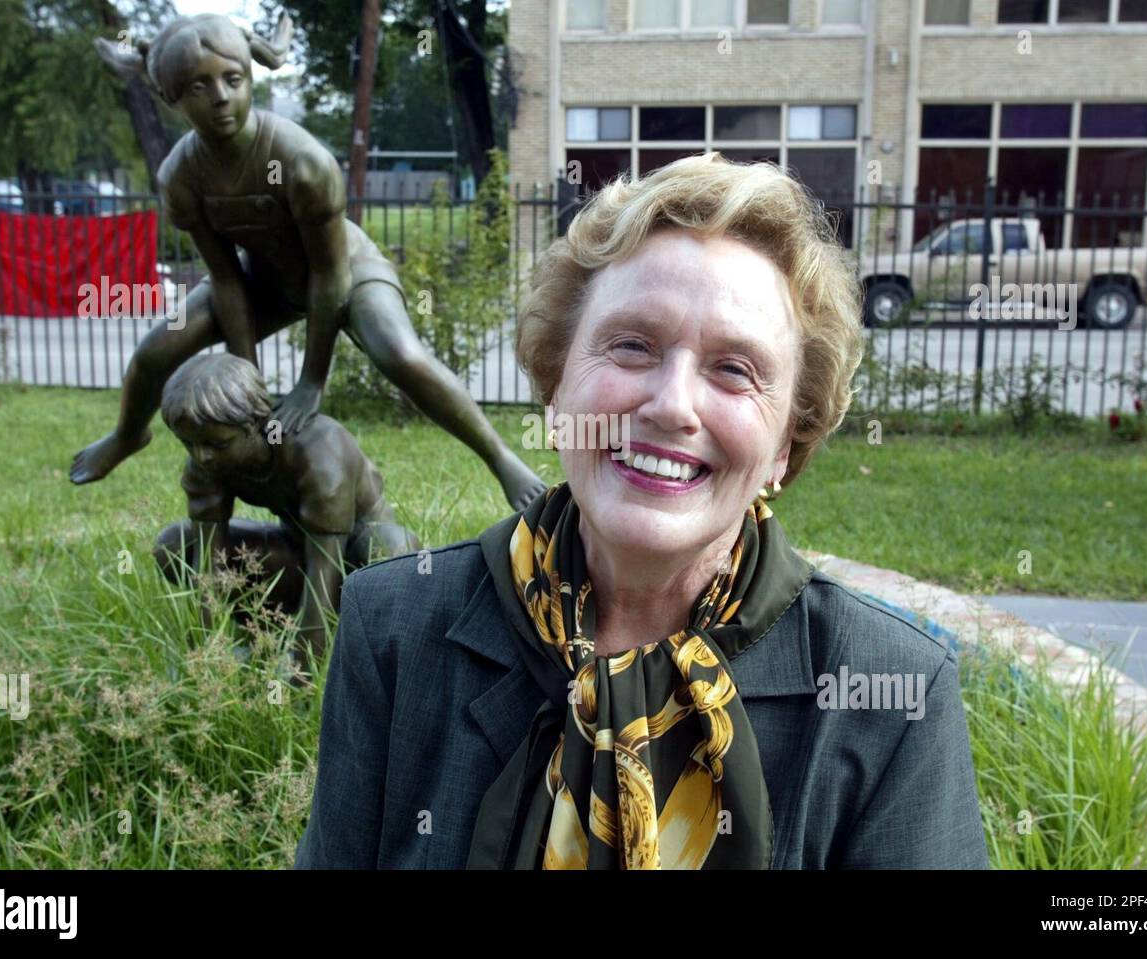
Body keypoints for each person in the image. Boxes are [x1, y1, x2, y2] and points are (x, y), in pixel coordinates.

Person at [295, 153, 988, 869]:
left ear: (787, 443)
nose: (671, 405)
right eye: (632, 345)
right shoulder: (393, 625)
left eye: (734, 369)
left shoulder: (891, 692)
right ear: (556, 384)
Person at [73, 12, 545, 511]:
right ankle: (127, 434)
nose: (220, 97)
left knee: (401, 356)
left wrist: (309, 383)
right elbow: (226, 279)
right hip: (265, 280)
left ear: (250, 76)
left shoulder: (301, 161)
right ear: (171, 98)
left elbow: (329, 273)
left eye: (232, 79)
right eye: (197, 86)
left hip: (348, 268)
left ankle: (500, 458)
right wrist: (245, 381)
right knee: (153, 352)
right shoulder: (180, 177)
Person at [153, 352, 418, 665]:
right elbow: (208, 564)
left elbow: (326, 567)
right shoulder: (208, 456)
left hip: (354, 560)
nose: (202, 457)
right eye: (189, 444)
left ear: (256, 424)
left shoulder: (319, 450)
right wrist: (209, 660)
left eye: (218, 444)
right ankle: (263, 630)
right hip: (299, 554)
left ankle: (364, 649)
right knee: (176, 545)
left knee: (392, 550)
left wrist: (303, 674)